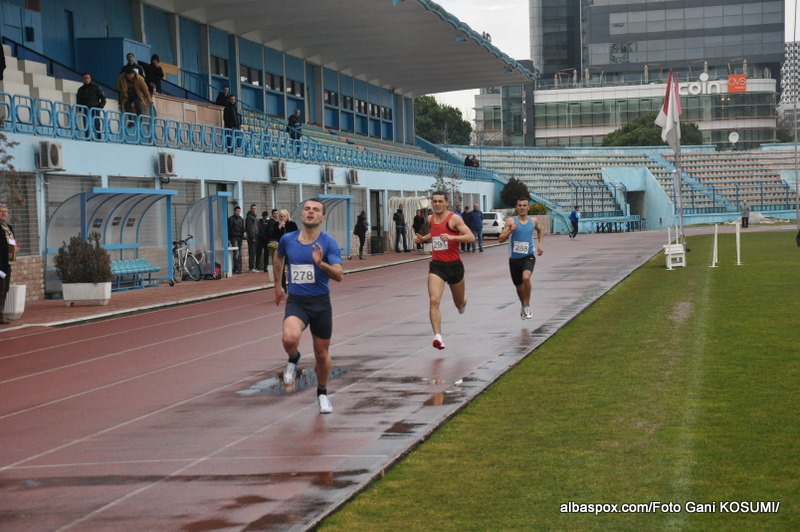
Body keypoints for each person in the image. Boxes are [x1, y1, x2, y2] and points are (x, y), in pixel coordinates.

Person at [273, 198, 343, 414]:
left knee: (322, 355)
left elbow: (339, 275)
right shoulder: (287, 239)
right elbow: (278, 257)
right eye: (307, 209)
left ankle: (322, 393)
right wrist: (278, 285)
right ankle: (294, 358)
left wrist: (320, 264)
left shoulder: (328, 242)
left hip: (321, 303)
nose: (310, 212)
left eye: (315, 210)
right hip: (297, 301)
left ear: (322, 218)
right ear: (301, 215)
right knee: (289, 338)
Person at [413, 191, 474, 350]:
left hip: (454, 266)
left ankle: (463, 303)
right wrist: (423, 239)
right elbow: (435, 233)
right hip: (437, 266)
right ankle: (438, 337)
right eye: (434, 201)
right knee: (434, 300)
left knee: (459, 303)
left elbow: (470, 237)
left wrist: (453, 238)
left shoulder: (454, 219)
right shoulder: (430, 218)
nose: (437, 204)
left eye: (440, 201)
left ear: (447, 203)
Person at [498, 198, 544, 320]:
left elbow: (540, 230)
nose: (522, 207)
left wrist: (540, 245)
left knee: (526, 277)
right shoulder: (511, 221)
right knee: (519, 287)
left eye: (525, 205)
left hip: (528, 256)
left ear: (528, 208)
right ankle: (523, 305)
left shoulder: (533, 220)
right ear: (516, 207)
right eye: (520, 205)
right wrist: (510, 231)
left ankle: (527, 305)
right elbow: (500, 239)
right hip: (514, 259)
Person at [272, 209, 299, 289]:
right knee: (281, 270)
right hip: (281, 250)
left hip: (291, 249)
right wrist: (279, 228)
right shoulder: (276, 225)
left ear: (287, 216)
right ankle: (283, 288)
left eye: (284, 216)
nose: (283, 218)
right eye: (281, 217)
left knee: (291, 269)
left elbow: (296, 236)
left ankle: (292, 287)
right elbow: (274, 236)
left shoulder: (292, 224)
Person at [76, 72, 106, 137]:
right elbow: (79, 101)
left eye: (87, 78)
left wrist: (99, 107)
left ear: (90, 79)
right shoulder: (80, 89)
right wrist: (80, 109)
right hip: (86, 110)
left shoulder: (96, 87)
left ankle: (98, 139)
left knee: (97, 126)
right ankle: (88, 139)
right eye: (85, 78)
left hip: (95, 109)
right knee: (86, 126)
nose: (86, 79)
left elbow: (103, 98)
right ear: (82, 79)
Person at [0, 203, 15, 325]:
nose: (4, 213)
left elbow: (11, 243)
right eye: (1, 211)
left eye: (5, 211)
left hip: (7, 263)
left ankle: (1, 314)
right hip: (0, 266)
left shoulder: (8, 227)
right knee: (0, 289)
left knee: (5, 289)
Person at [227, 205, 245, 274]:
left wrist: (244, 232)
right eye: (237, 211)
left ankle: (237, 268)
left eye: (239, 211)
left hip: (240, 237)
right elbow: (229, 229)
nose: (238, 212)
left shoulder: (241, 219)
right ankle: (236, 268)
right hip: (233, 237)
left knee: (239, 253)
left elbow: (243, 228)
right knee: (236, 252)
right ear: (234, 211)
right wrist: (229, 238)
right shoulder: (231, 219)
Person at [245, 203, 259, 272]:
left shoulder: (255, 217)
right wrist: (252, 236)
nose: (254, 210)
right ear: (250, 209)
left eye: (255, 208)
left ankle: (253, 266)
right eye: (253, 208)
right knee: (252, 252)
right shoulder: (249, 217)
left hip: (256, 236)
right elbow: (250, 227)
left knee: (254, 252)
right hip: (252, 237)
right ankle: (252, 267)